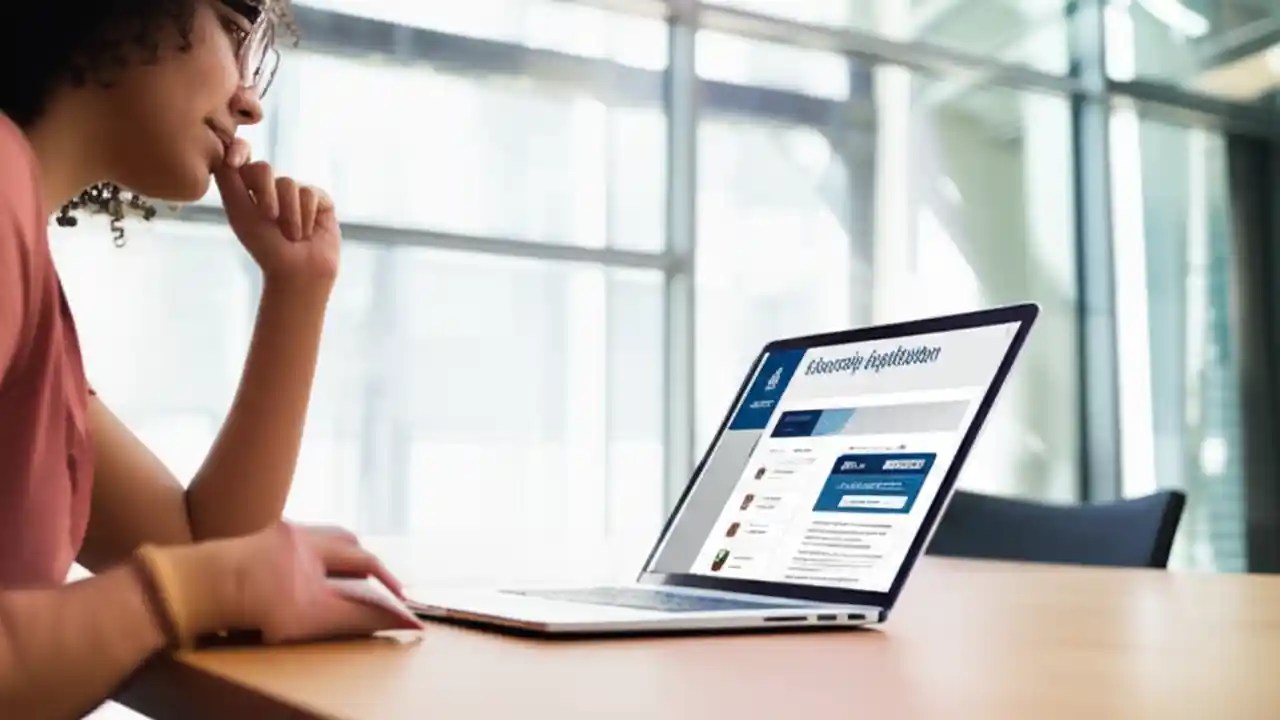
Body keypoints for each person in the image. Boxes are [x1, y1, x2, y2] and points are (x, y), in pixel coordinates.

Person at [0, 2, 422, 716]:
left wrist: (298, 288)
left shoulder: (34, 287)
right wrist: (198, 588)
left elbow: (200, 543)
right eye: (232, 30)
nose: (249, 102)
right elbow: (203, 575)